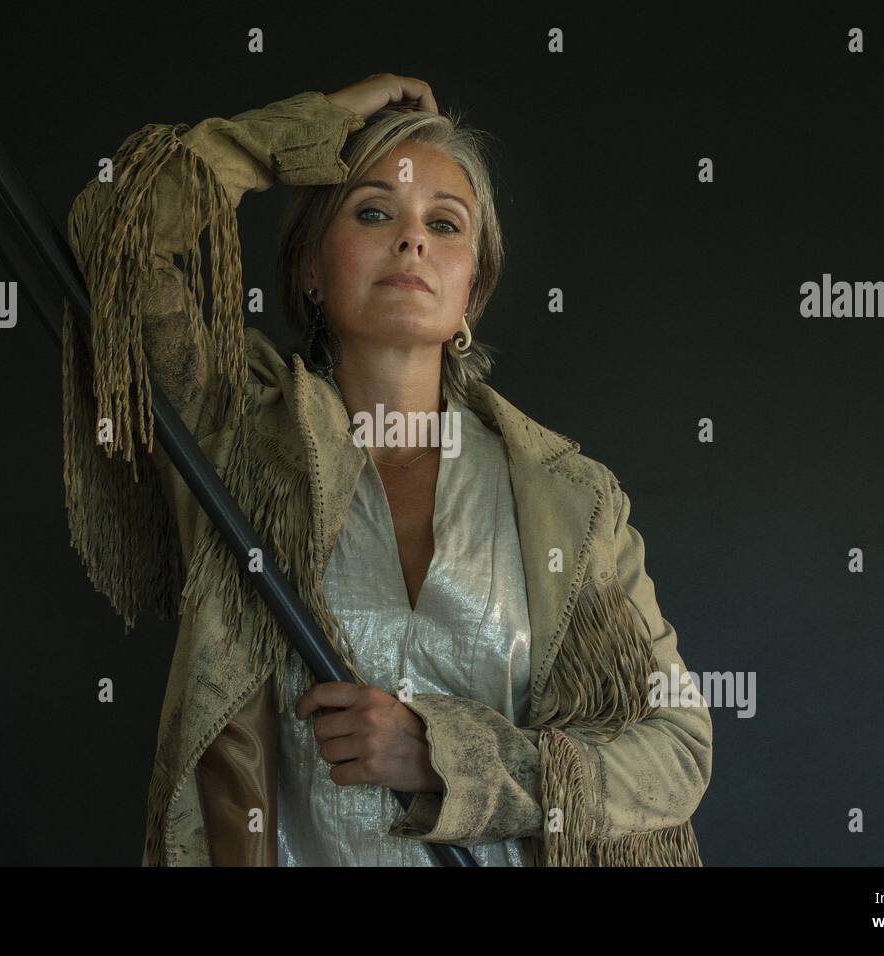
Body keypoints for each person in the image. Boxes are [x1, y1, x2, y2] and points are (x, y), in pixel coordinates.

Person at [62, 73, 713, 866]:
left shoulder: (570, 500)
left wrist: (446, 758)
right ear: (310, 266)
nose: (412, 241)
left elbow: (677, 749)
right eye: (374, 213)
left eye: (444, 224)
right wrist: (314, 124)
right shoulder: (235, 436)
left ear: (473, 285)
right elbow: (115, 226)